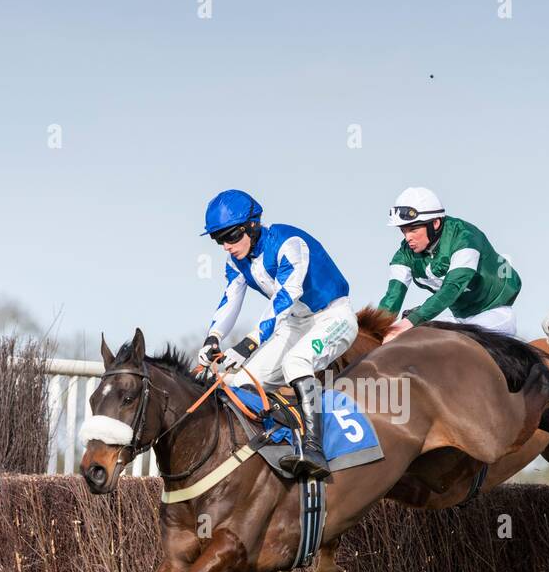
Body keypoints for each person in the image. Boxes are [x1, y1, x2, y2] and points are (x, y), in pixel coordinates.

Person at [198, 189, 357, 480]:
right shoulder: (236, 262)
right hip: (295, 324)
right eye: (218, 239)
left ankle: (314, 448)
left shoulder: (289, 243)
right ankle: (274, 444)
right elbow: (230, 300)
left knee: (296, 362)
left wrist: (249, 343)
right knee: (242, 382)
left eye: (231, 236)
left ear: (253, 226)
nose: (225, 246)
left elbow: (286, 296)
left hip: (333, 316)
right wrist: (213, 338)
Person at [378, 187, 521, 342]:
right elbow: (393, 296)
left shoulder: (465, 238)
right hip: (460, 318)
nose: (407, 238)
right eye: (403, 231)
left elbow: (451, 288)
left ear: (435, 223)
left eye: (413, 229)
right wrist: (375, 329)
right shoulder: (405, 254)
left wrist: (410, 321)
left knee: (459, 343)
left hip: (494, 312)